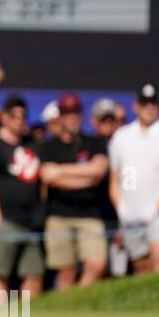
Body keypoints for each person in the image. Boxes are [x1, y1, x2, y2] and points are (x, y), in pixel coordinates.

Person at [107, 85, 159, 273]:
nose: (149, 108)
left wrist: (157, 205)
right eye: (145, 103)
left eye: (153, 103)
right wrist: (123, 207)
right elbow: (121, 177)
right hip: (131, 215)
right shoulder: (122, 137)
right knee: (142, 266)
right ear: (136, 106)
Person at [39, 93, 110, 290]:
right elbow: (47, 176)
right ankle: (67, 315)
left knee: (97, 264)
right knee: (66, 271)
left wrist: (61, 171)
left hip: (90, 214)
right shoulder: (49, 146)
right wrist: (85, 175)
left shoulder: (93, 143)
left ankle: (80, 302)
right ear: (59, 117)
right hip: (59, 214)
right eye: (68, 113)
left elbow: (98, 171)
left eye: (76, 113)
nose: (72, 118)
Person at [0, 94, 44, 301]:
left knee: (34, 274)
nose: (19, 120)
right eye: (14, 116)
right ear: (4, 117)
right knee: (0, 274)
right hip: (6, 220)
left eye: (23, 116)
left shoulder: (32, 143)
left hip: (31, 222)